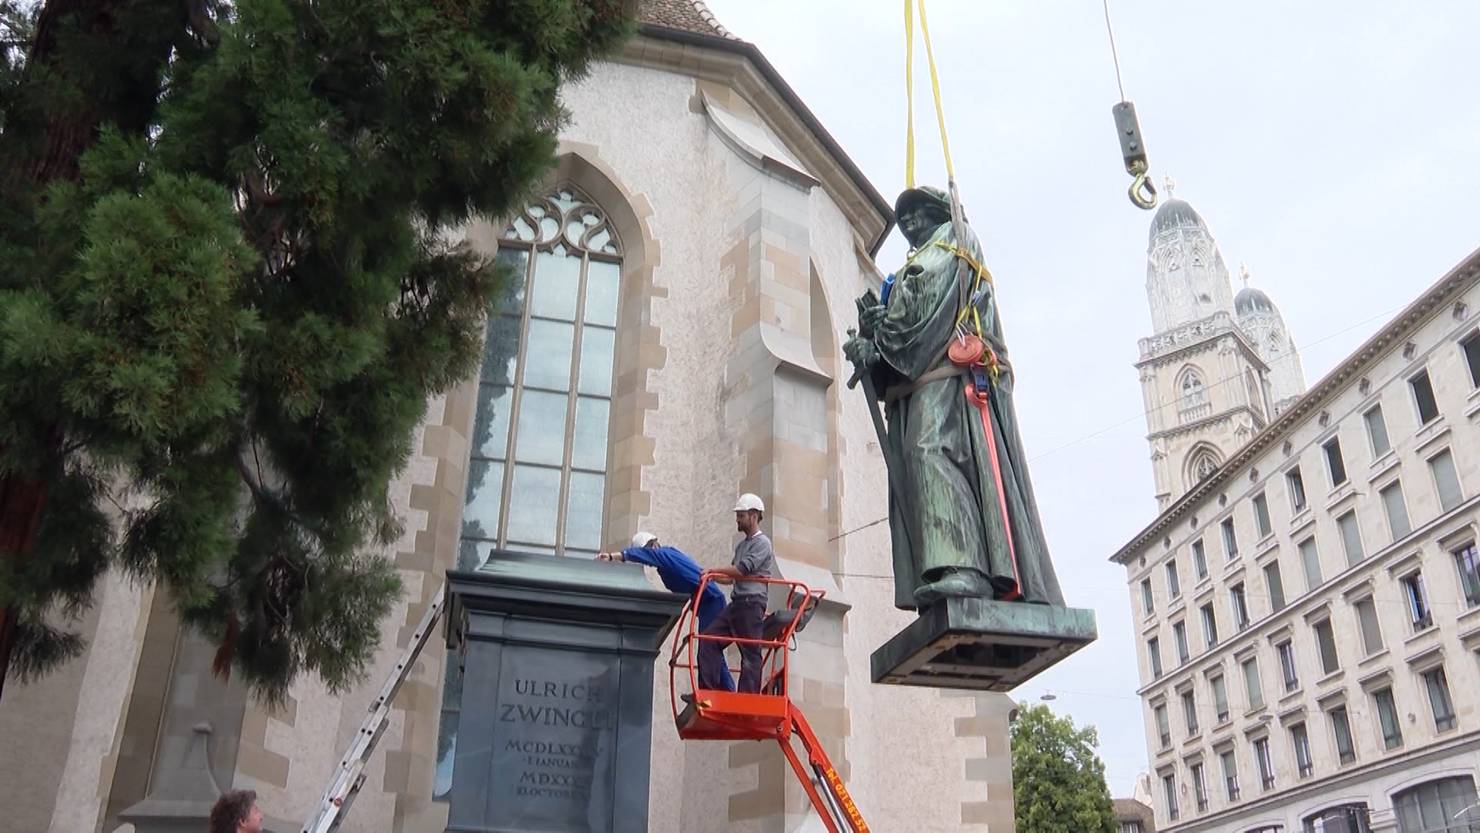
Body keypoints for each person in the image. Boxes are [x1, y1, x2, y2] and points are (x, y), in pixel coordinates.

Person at [843, 185, 1065, 611]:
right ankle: (946, 567)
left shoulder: (954, 242)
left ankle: (965, 567)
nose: (909, 223)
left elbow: (922, 307)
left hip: (952, 379)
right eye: (903, 218)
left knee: (930, 450)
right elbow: (906, 318)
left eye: (917, 212)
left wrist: (882, 336)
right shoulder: (921, 259)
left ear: (939, 212)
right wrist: (872, 338)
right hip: (925, 380)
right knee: (918, 460)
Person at [600, 532, 734, 690]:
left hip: (710, 600)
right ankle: (716, 689)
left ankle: (715, 690)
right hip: (706, 601)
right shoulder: (667, 562)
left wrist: (613, 556)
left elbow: (641, 555)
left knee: (708, 648)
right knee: (709, 649)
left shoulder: (664, 554)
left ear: (652, 546)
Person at [696, 493, 777, 693]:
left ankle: (747, 698)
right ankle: (708, 691)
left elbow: (742, 570)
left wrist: (714, 569)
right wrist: (712, 576)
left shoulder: (763, 544)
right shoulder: (742, 546)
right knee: (708, 639)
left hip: (752, 603)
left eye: (741, 515)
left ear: (754, 516)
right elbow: (732, 577)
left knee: (750, 653)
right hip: (737, 604)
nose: (737, 520)